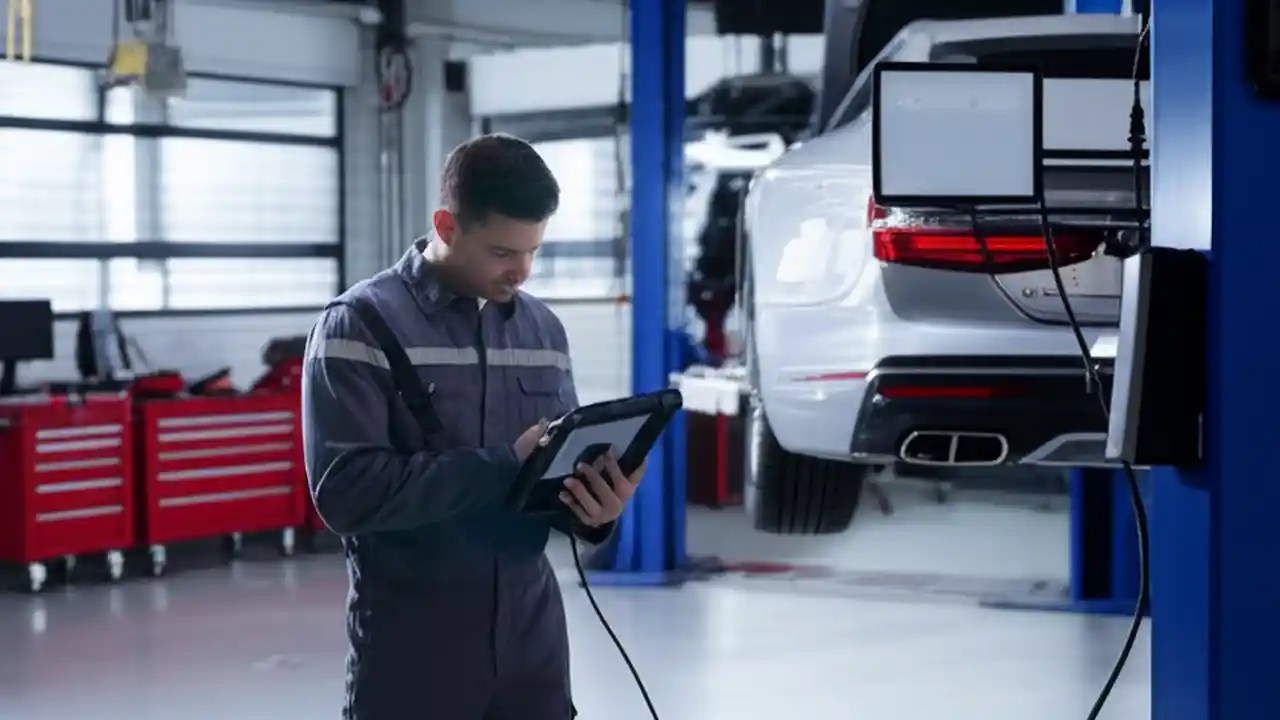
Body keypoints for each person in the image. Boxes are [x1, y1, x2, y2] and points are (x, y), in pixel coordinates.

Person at [301, 133, 644, 720]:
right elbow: (345, 492)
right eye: (503, 252)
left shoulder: (544, 332)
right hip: (413, 647)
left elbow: (550, 483)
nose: (522, 271)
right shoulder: (358, 326)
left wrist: (595, 511)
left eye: (534, 250)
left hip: (532, 644)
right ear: (447, 225)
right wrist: (503, 466)